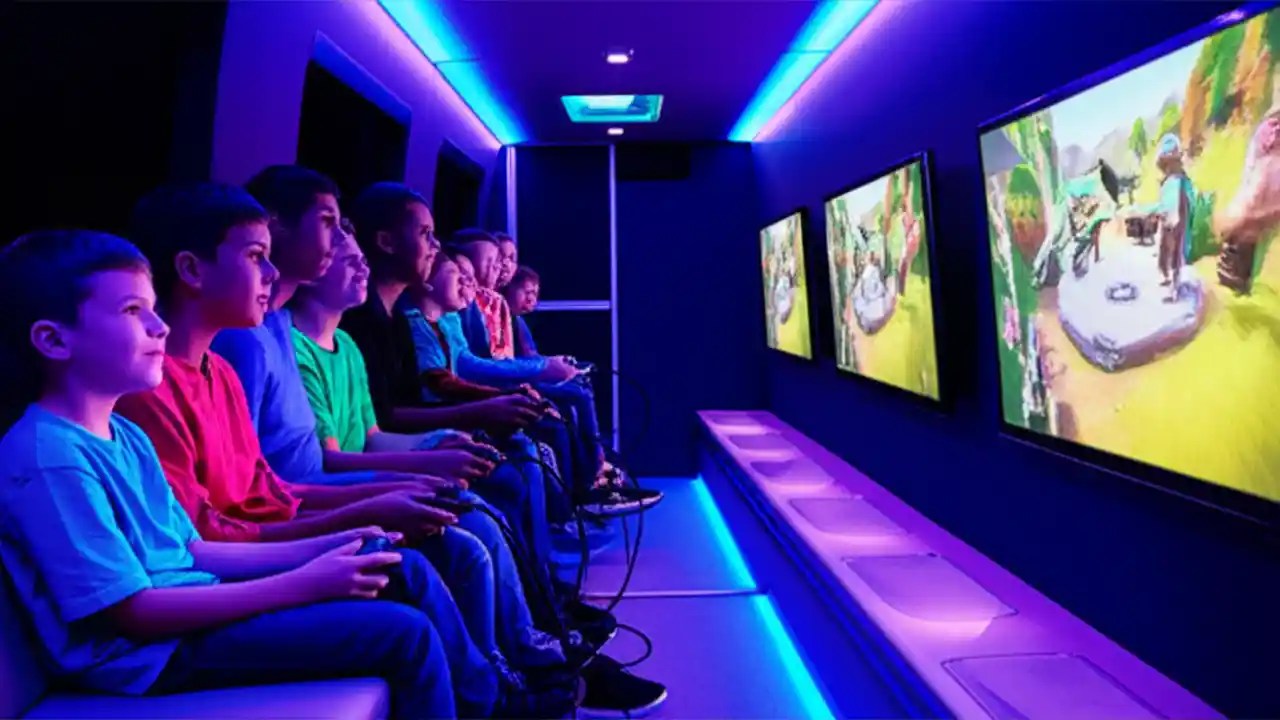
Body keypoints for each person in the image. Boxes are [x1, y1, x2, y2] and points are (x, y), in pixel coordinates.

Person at [114, 183, 572, 715]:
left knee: (457, 525)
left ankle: (515, 663)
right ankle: (497, 693)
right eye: (257, 257)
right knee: (421, 582)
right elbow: (205, 534)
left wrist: (385, 499)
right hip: (228, 572)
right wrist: (356, 518)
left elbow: (266, 488)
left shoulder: (220, 370)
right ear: (192, 270)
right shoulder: (161, 390)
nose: (269, 275)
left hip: (256, 541)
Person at [0, 229, 455, 719]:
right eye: (133, 311)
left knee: (392, 562)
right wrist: (305, 581)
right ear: (53, 339)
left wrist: (330, 545)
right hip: (147, 656)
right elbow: (131, 612)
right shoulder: (48, 456)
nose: (160, 326)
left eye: (154, 308)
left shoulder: (123, 434)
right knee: (403, 635)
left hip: (186, 616)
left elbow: (191, 549)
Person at [1155, 133, 1195, 302]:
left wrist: (1182, 216)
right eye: (1166, 163)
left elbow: (1188, 199)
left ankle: (1174, 288)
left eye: (1172, 162)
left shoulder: (1182, 181)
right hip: (1167, 219)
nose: (1169, 166)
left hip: (1179, 218)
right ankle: (1166, 276)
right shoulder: (1167, 182)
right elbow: (1164, 203)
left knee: (1176, 250)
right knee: (1165, 247)